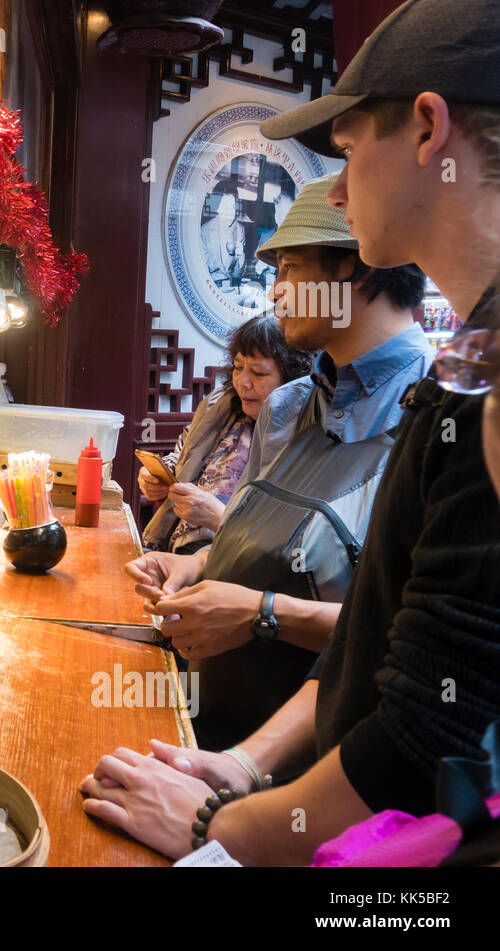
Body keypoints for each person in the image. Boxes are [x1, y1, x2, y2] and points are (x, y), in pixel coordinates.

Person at [79, 0, 500, 864]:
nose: (339, 191)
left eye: (347, 152)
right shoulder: (460, 376)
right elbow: (382, 644)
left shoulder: (467, 391)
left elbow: (431, 731)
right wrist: (239, 769)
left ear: (428, 129)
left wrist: (215, 831)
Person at [132, 172, 434, 750]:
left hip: (313, 767)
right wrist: (201, 570)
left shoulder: (438, 413)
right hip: (211, 731)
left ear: (356, 267)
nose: (274, 292)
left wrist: (260, 611)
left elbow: (407, 632)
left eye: (290, 270)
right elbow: (255, 536)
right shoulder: (290, 406)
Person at [140, 312, 313, 554]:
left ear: (292, 378)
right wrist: (158, 478)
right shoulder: (222, 408)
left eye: (258, 373)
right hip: (176, 548)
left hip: (233, 567)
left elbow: (295, 542)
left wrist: (220, 517)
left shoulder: (306, 437)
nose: (243, 382)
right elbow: (182, 456)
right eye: (238, 367)